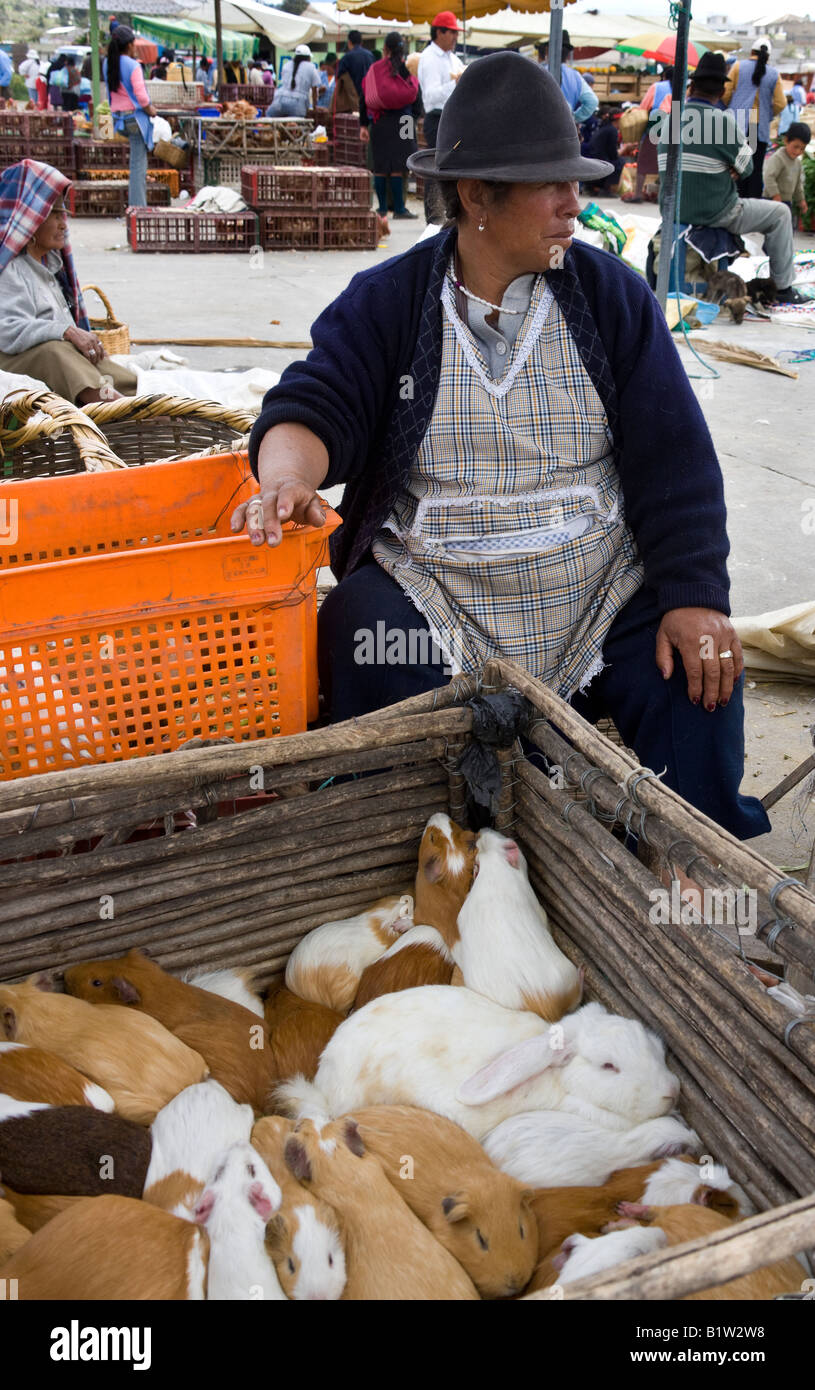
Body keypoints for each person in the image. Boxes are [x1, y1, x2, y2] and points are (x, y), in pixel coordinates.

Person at [234, 52, 769, 843]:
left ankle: (692, 851)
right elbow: (314, 405)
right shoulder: (389, 303)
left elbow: (676, 461)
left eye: (575, 181)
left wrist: (694, 597)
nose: (573, 203)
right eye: (551, 184)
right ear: (477, 197)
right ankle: (428, 844)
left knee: (697, 664)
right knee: (359, 629)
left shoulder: (608, 296)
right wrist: (285, 478)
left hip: (591, 585)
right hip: (439, 579)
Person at [658, 51, 806, 305]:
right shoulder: (723, 122)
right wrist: (730, 165)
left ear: (692, 87)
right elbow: (747, 168)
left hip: (673, 209)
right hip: (717, 211)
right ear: (720, 93)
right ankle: (782, 287)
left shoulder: (670, 120)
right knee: (780, 213)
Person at [0, 160, 137, 403]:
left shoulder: (52, 267)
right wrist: (66, 331)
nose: (64, 224)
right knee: (57, 350)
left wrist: (75, 337)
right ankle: (120, 409)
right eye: (54, 215)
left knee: (97, 360)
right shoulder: (10, 269)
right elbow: (7, 330)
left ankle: (142, 398)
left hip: (57, 359)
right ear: (31, 221)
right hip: (14, 361)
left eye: (64, 214)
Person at [360, 31, 420, 220]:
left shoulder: (376, 69)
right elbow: (418, 100)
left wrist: (363, 124)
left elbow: (365, 97)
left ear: (385, 48)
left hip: (381, 120)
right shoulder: (407, 69)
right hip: (406, 120)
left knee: (380, 166)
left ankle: (383, 209)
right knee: (401, 164)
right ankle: (400, 209)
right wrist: (413, 118)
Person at [723, 41, 786, 198]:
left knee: (736, 166)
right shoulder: (773, 73)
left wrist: (733, 106)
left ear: (752, 51)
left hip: (738, 126)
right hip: (759, 128)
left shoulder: (738, 67)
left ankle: (734, 201)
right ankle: (752, 209)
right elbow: (780, 103)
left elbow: (725, 93)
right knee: (755, 170)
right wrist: (767, 114)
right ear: (768, 56)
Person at [417, 12, 463, 221]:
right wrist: (454, 84)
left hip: (452, 116)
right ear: (439, 33)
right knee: (438, 167)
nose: (455, 38)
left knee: (451, 166)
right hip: (436, 117)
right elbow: (431, 95)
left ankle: (449, 213)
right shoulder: (429, 58)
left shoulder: (452, 58)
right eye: (452, 33)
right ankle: (434, 217)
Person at [106, 25, 157, 210]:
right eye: (134, 44)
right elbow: (142, 97)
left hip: (119, 118)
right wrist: (151, 110)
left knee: (135, 162)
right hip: (135, 119)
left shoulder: (108, 63)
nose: (135, 47)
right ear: (128, 45)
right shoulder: (133, 65)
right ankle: (138, 208)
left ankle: (136, 206)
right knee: (138, 166)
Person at [625, 65, 673, 204]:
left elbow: (644, 107)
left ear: (664, 76)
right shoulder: (682, 87)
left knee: (645, 159)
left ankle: (638, 194)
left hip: (657, 122)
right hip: (676, 123)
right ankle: (663, 195)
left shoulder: (657, 86)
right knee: (668, 161)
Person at [536, 32, 598, 123]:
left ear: (548, 50)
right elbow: (592, 102)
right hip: (564, 129)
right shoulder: (576, 76)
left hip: (542, 127)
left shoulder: (540, 72)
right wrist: (573, 119)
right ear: (568, 54)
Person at [763, 122, 810, 221]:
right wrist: (775, 195)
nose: (798, 151)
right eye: (795, 147)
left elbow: (798, 184)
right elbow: (768, 177)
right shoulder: (778, 158)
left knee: (786, 230)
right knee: (773, 230)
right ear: (786, 141)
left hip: (786, 201)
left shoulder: (797, 163)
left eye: (802, 148)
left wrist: (801, 200)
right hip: (771, 200)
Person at [269, 46, 320, 118]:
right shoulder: (311, 67)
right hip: (298, 105)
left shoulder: (286, 65)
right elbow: (314, 90)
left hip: (279, 102)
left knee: (270, 121)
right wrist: (315, 107)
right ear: (308, 57)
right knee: (296, 126)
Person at [583, 107, 623, 195]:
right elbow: (613, 154)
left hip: (593, 159)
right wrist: (625, 149)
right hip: (599, 161)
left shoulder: (604, 127)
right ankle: (606, 189)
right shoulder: (612, 130)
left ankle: (593, 187)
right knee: (619, 162)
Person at [335, 29, 374, 113]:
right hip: (369, 99)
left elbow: (338, 79)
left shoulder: (346, 57)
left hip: (351, 102)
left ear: (349, 42)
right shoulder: (370, 56)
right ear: (361, 42)